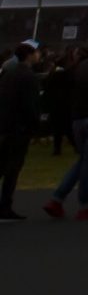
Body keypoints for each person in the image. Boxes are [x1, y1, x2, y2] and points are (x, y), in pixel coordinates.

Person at [0, 41, 40, 221]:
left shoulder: (8, 74)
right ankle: (5, 205)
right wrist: (34, 125)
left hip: (5, 125)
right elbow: (29, 105)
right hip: (19, 127)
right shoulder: (28, 76)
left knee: (2, 164)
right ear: (30, 55)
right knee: (13, 168)